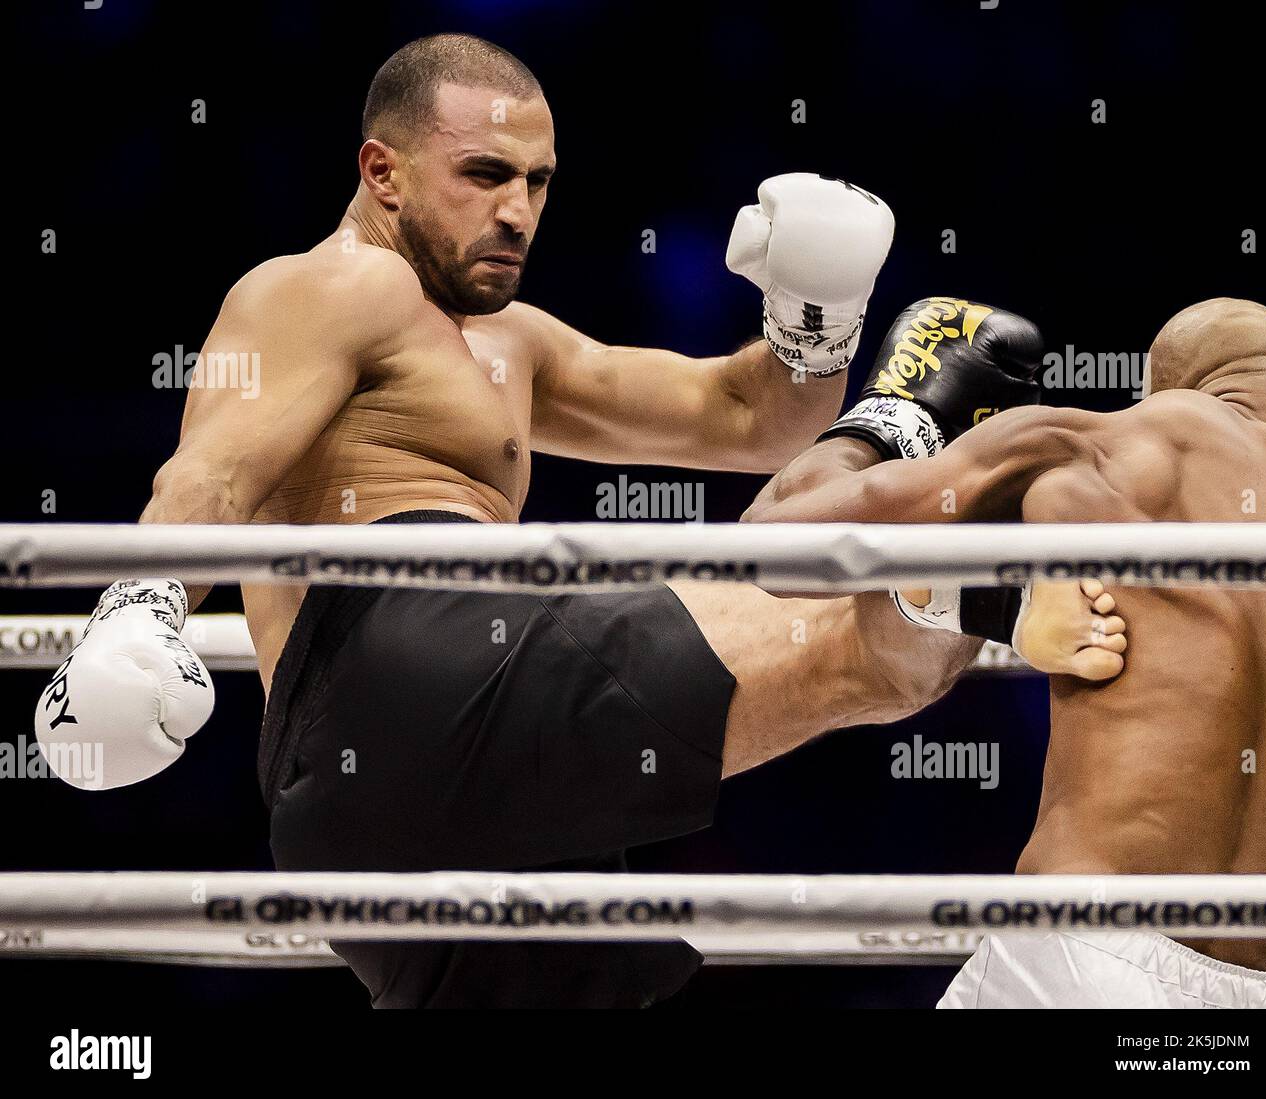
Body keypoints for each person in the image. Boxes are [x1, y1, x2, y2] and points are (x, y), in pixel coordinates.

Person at [35, 35, 1122, 1008]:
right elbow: (211, 473)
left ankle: (926, 507)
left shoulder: (511, 342)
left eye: (538, 182)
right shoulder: (324, 288)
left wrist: (815, 313)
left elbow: (748, 416)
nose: (517, 209)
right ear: (382, 172)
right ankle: (933, 495)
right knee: (853, 643)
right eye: (484, 175)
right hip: (411, 669)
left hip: (413, 807)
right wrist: (138, 607)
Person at [744, 296, 1266, 1007]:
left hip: (1087, 947)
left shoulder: (1116, 446)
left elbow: (774, 545)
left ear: (1162, 390)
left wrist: (895, 416)